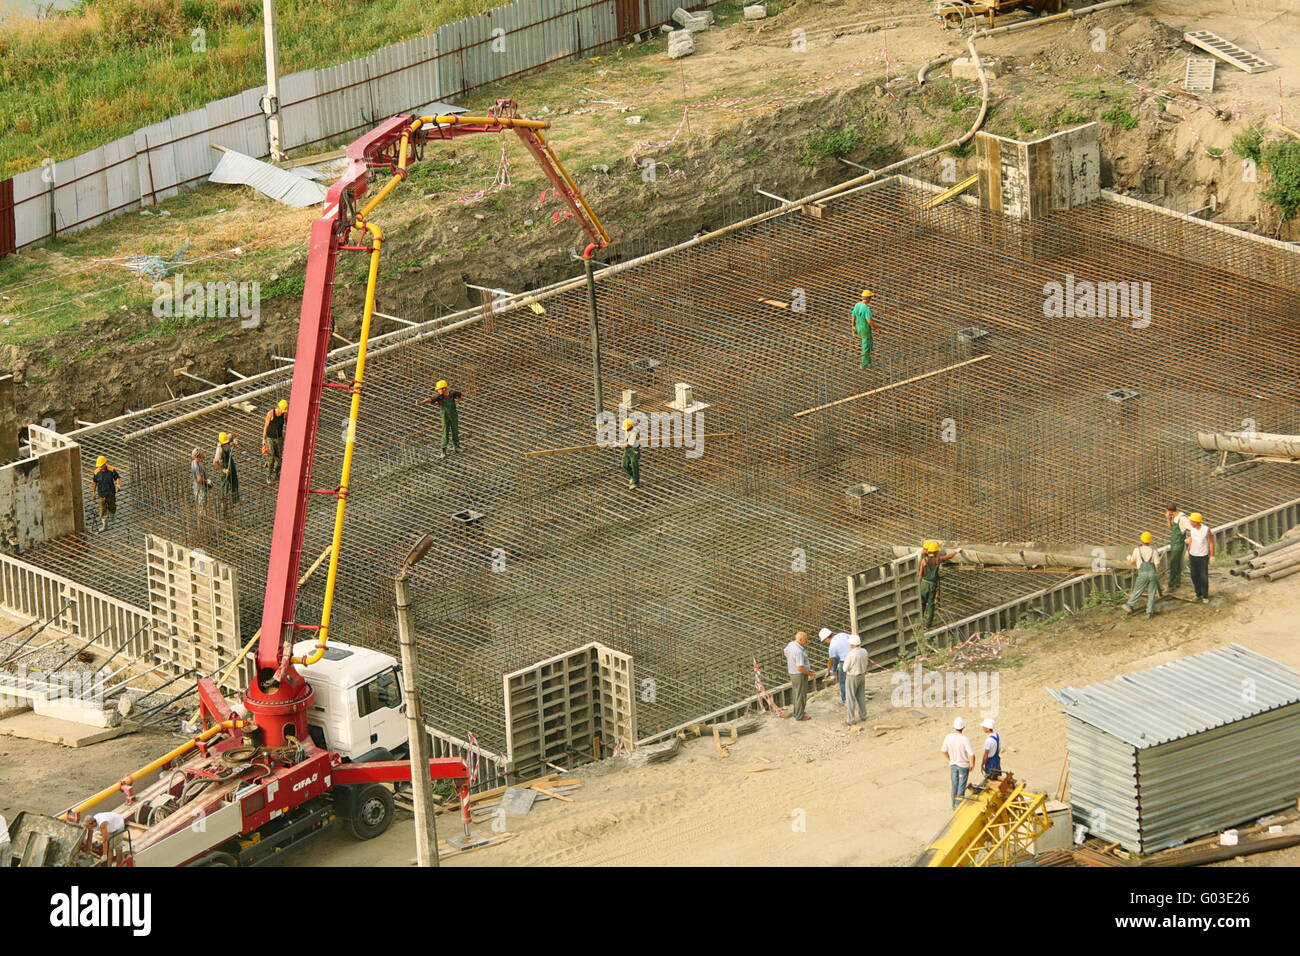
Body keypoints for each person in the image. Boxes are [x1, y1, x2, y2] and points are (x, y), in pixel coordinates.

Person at [918, 540, 960, 629]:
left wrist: (919, 586)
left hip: (924, 585)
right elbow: (948, 557)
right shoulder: (938, 559)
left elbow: (920, 575)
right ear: (936, 552)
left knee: (921, 604)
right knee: (930, 605)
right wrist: (956, 551)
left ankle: (919, 624)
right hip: (932, 585)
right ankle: (928, 625)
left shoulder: (923, 560)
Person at [419, 379, 462, 458]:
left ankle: (456, 447)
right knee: (445, 432)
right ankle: (443, 451)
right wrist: (422, 402)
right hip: (445, 417)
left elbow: (459, 394)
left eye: (439, 389)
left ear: (444, 389)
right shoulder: (439, 396)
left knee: (455, 430)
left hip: (453, 416)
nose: (438, 391)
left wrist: (459, 401)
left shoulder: (452, 393)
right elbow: (430, 399)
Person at [1124, 531, 1162, 618]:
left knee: (1138, 590)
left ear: (1141, 540)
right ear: (1150, 541)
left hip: (1143, 573)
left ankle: (1129, 605)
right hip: (1152, 573)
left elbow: (1131, 562)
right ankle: (1149, 612)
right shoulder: (1154, 551)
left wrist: (1128, 557)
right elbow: (1157, 565)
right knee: (1152, 593)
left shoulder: (1137, 550)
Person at [941, 717, 975, 809]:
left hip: (953, 765)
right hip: (963, 766)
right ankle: (958, 805)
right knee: (961, 786)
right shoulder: (965, 739)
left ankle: (953, 805)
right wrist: (972, 764)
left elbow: (943, 750)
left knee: (954, 785)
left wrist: (950, 759)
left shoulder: (948, 737)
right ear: (963, 727)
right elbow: (971, 754)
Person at [783, 631, 816, 721]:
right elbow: (800, 667)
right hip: (799, 675)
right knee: (800, 695)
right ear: (801, 640)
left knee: (796, 694)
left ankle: (797, 712)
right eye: (805, 639)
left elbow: (785, 652)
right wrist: (810, 674)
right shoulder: (798, 652)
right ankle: (799, 715)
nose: (806, 641)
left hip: (792, 673)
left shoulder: (791, 644)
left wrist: (791, 660)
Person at [1185, 512, 1214, 603]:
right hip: (1193, 556)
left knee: (1203, 576)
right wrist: (1188, 550)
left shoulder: (1206, 530)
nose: (1190, 522)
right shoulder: (1192, 529)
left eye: (1191, 521)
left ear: (1196, 522)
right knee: (1194, 576)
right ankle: (1198, 594)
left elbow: (1211, 542)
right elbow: (1191, 539)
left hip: (1202, 557)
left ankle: (1205, 596)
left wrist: (1212, 556)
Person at [842, 634, 869, 726]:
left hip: (852, 677)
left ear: (851, 644)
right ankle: (863, 715)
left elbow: (844, 669)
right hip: (862, 675)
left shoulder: (851, 654)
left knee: (850, 698)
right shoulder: (864, 651)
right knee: (861, 696)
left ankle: (851, 720)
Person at [88, 455, 120, 532]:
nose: (99, 467)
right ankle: (104, 525)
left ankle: (113, 519)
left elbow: (117, 477)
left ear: (104, 464)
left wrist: (118, 484)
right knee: (102, 509)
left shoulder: (111, 470)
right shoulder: (96, 472)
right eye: (98, 466)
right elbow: (94, 482)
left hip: (111, 493)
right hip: (101, 494)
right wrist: (93, 492)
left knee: (112, 506)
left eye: (100, 466)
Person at [820, 627, 852, 703]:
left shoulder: (832, 646)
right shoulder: (842, 634)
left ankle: (845, 699)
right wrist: (834, 670)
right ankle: (859, 695)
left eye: (825, 641)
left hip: (845, 662)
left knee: (842, 681)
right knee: (855, 678)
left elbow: (831, 660)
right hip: (856, 656)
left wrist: (829, 671)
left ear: (827, 638)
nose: (826, 642)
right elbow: (837, 658)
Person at [1164, 504, 1191, 590]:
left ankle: (1171, 583)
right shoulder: (1174, 517)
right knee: (1176, 563)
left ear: (1171, 511)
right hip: (1174, 542)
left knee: (1173, 563)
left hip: (1178, 543)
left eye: (1167, 511)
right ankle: (1177, 581)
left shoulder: (1182, 518)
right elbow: (1171, 528)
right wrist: (1168, 519)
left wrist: (1190, 539)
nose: (1167, 513)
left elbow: (1191, 528)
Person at [213, 432, 240, 515]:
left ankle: (235, 500)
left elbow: (232, 435)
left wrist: (235, 441)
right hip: (225, 466)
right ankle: (223, 503)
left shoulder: (227, 438)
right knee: (225, 485)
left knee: (235, 481)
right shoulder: (219, 450)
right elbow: (215, 462)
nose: (226, 443)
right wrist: (223, 469)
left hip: (231, 464)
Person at [262, 399, 288, 484]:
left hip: (279, 438)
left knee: (279, 457)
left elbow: (287, 424)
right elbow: (266, 426)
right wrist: (263, 439)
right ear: (279, 408)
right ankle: (268, 475)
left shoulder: (284, 415)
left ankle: (276, 472)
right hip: (270, 438)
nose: (283, 411)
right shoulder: (271, 413)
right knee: (271, 457)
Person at [852, 289, 878, 369]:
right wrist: (876, 328)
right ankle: (864, 364)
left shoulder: (857, 305)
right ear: (868, 299)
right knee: (866, 345)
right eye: (870, 298)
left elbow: (853, 315)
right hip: (865, 329)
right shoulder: (867, 308)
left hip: (858, 327)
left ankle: (868, 361)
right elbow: (869, 321)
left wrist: (853, 325)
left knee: (869, 344)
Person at [620, 418, 641, 491]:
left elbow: (630, 443)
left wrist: (623, 445)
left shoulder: (634, 432)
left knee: (634, 464)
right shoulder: (628, 430)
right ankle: (634, 477)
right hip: (628, 449)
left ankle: (635, 482)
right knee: (624, 465)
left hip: (634, 450)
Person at [190, 448, 210, 518]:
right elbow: (199, 479)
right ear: (198, 455)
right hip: (200, 488)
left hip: (197, 487)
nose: (203, 453)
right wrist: (207, 481)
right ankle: (202, 519)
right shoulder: (197, 465)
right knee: (202, 504)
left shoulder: (194, 462)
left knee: (200, 504)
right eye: (202, 453)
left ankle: (202, 517)